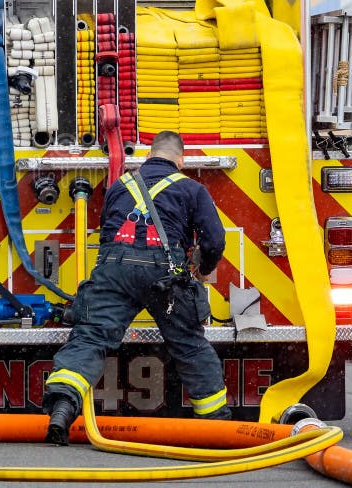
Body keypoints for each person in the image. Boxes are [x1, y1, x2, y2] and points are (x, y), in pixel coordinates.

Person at [43, 130, 230, 445]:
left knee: (90, 338)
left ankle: (62, 406)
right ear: (180, 159)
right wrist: (203, 270)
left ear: (148, 155)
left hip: (115, 270)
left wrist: (115, 272)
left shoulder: (121, 185)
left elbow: (106, 233)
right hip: (165, 278)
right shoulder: (192, 189)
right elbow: (214, 240)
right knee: (189, 345)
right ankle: (216, 428)